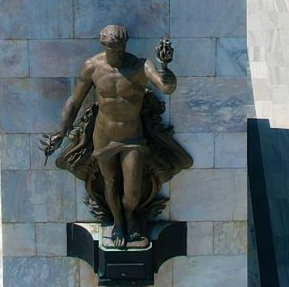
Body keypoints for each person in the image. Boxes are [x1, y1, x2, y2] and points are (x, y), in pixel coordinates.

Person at [40, 25, 194, 247]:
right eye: (113, 48)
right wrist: (61, 133)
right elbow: (74, 102)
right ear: (104, 45)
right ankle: (119, 222)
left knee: (132, 191)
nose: (118, 52)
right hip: (103, 137)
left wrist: (165, 67)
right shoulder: (92, 67)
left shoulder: (141, 66)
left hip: (132, 138)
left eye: (121, 47)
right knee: (110, 183)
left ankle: (130, 213)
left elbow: (166, 88)